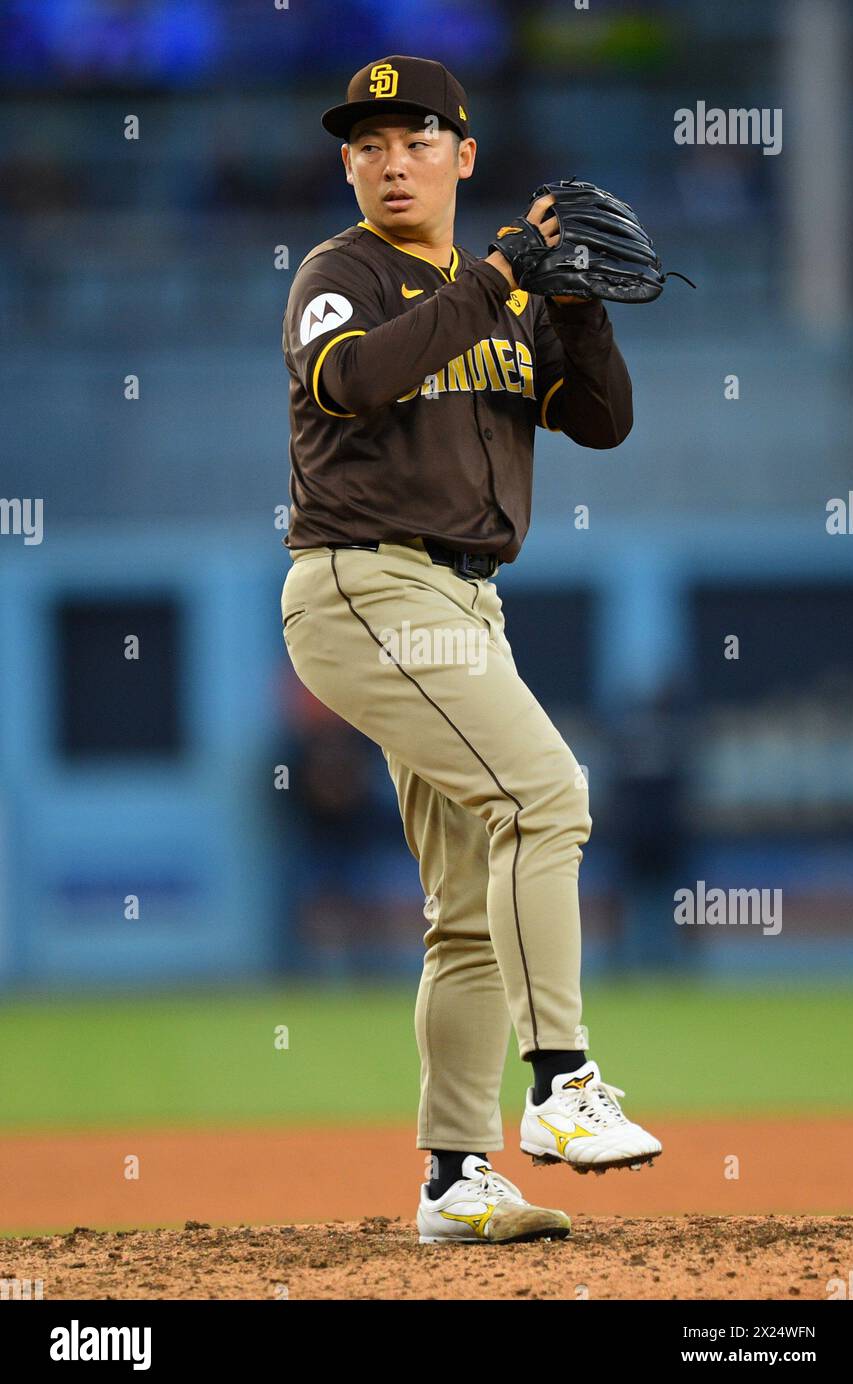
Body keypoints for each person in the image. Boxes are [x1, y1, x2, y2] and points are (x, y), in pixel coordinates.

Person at [279, 54, 661, 1245]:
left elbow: (599, 422)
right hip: (363, 582)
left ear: (463, 153)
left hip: (459, 604)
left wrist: (575, 305)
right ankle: (560, 1086)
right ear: (347, 164)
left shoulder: (497, 297)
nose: (391, 159)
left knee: (463, 907)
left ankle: (454, 1176)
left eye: (416, 137)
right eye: (367, 142)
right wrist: (499, 275)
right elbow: (353, 380)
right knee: (547, 798)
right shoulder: (339, 272)